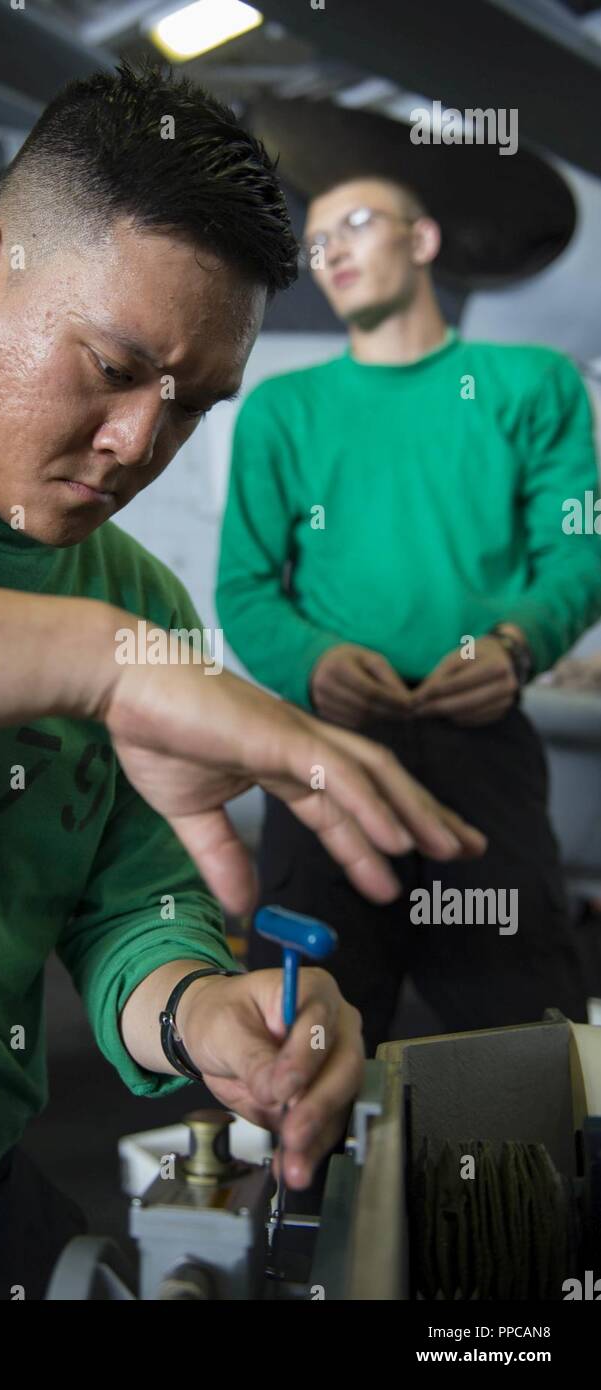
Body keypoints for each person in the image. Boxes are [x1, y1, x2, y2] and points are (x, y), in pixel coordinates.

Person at [0, 71, 484, 1300]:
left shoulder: (140, 600)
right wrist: (93, 664)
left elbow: (127, 904)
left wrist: (202, 1007)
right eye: (112, 364)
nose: (141, 442)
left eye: (189, 405)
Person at [217, 173, 601, 1057]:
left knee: (527, 1045)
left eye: (355, 224)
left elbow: (576, 551)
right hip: (324, 757)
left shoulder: (530, 384)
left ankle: (536, 1199)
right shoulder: (281, 410)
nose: (333, 251)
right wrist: (310, 660)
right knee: (302, 1042)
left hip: (483, 748)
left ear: (423, 240)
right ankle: (305, 1197)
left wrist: (516, 642)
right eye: (316, 243)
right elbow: (243, 589)